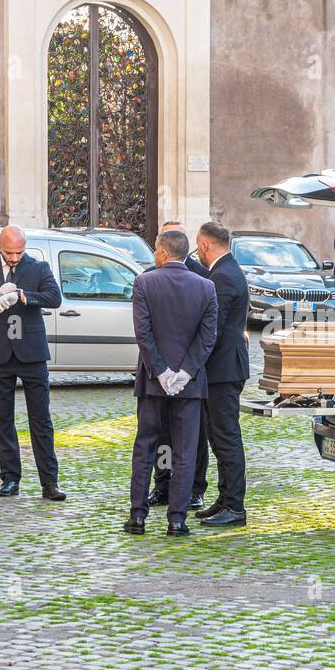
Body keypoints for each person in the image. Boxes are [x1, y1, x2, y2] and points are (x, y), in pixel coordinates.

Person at [0, 225, 65, 500]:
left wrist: (23, 295)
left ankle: (49, 482)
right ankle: (10, 479)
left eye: (19, 252)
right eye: (9, 252)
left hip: (31, 353)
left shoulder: (39, 267)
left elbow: (55, 298)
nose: (15, 257)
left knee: (41, 419)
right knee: (3, 419)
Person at [126, 229, 217, 537]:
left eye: (155, 250)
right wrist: (185, 372)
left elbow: (143, 333)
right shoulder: (206, 287)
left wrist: (161, 372)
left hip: (153, 384)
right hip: (189, 387)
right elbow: (208, 338)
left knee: (145, 448)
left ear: (163, 253)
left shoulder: (145, 282)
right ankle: (176, 520)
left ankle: (137, 517)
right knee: (185, 451)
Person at [192, 221, 249, 527]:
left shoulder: (223, 276)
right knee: (217, 435)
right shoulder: (226, 271)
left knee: (226, 437)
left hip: (224, 370)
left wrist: (191, 363)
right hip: (222, 368)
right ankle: (225, 497)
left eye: (197, 247)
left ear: (204, 245)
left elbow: (211, 330)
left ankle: (235, 506)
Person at [149, 219, 209, 508]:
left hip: (192, 372)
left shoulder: (203, 277)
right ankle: (162, 483)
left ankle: (194, 488)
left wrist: (187, 370)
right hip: (158, 372)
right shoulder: (150, 276)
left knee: (194, 438)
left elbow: (208, 330)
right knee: (162, 434)